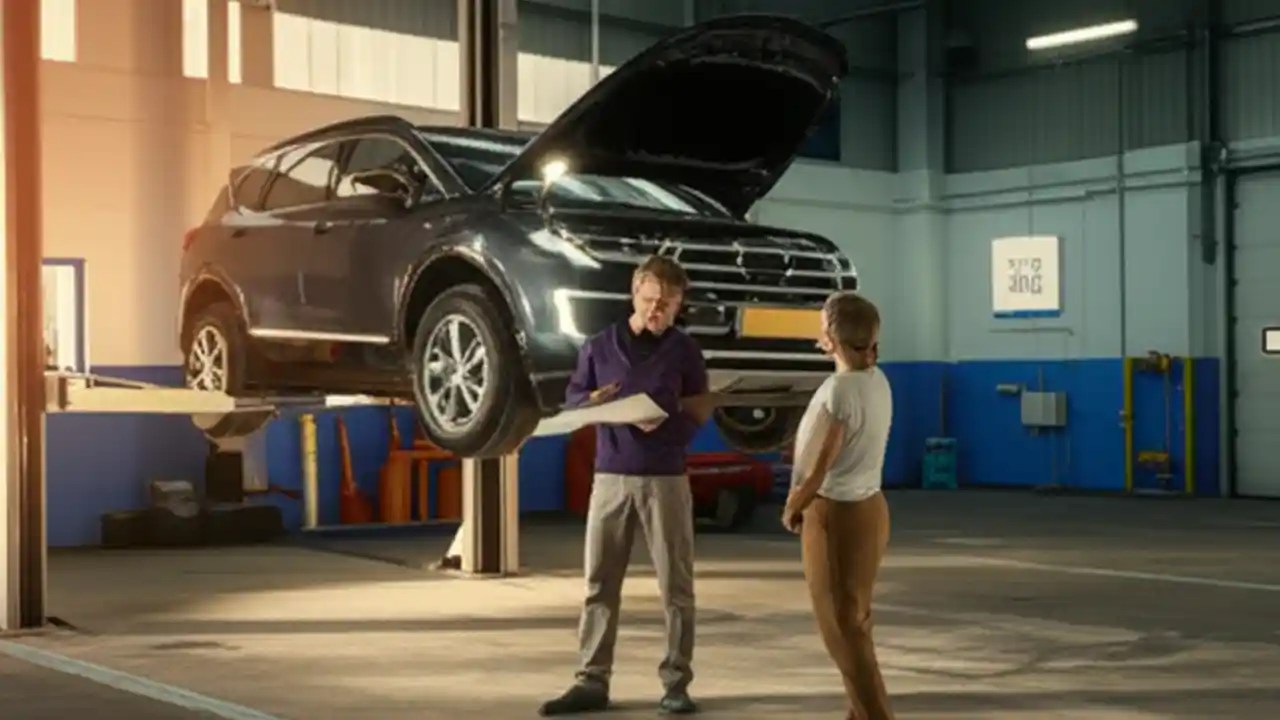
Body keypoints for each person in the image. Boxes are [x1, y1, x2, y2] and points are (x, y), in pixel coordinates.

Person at [540, 255, 711, 716]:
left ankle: (676, 683)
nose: (657, 311)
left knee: (676, 586)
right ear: (634, 293)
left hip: (666, 479)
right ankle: (591, 680)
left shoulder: (685, 352)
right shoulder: (598, 346)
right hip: (611, 477)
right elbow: (574, 400)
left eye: (667, 305)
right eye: (650, 300)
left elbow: (698, 410)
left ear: (679, 306)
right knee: (599, 582)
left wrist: (667, 425)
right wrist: (590, 401)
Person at [781, 291, 895, 720]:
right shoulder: (878, 382)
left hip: (836, 513)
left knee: (840, 628)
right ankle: (858, 712)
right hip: (872, 506)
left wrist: (796, 502)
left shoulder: (839, 391)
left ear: (829, 339)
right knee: (857, 616)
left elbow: (822, 462)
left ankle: (876, 714)